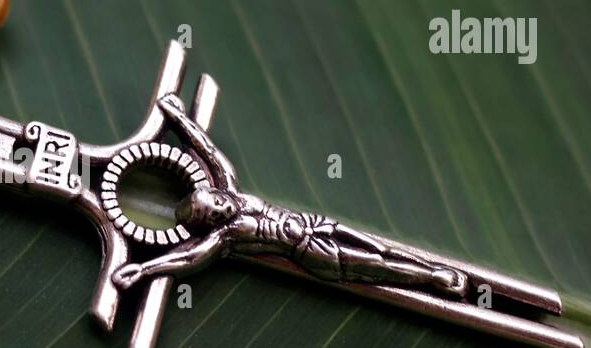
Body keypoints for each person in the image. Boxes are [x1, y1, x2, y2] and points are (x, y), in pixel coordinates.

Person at [112, 94, 469, 297]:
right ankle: (432, 280)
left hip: (314, 224)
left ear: (213, 191)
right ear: (209, 225)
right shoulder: (225, 238)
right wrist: (144, 269)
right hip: (312, 254)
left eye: (215, 201)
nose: (222, 207)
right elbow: (187, 260)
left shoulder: (232, 187)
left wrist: (178, 117)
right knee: (374, 268)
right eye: (214, 213)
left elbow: (208, 149)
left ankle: (434, 268)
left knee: (381, 247)